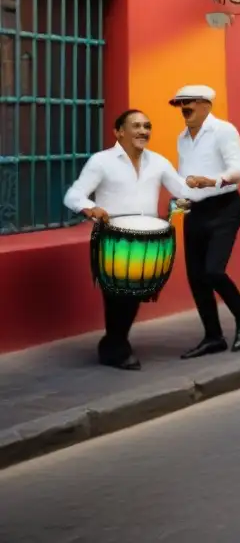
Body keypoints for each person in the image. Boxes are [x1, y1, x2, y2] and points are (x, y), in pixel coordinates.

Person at [63, 110, 194, 370]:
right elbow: (73, 195)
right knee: (117, 294)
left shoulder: (158, 162)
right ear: (119, 131)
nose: (143, 131)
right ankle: (116, 345)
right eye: (135, 126)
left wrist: (209, 185)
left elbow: (182, 189)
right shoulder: (101, 161)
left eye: (147, 126)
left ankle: (114, 343)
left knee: (131, 294)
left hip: (147, 238)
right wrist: (90, 208)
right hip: (113, 236)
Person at [170, 85, 240, 359]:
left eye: (188, 102)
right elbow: (185, 175)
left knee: (213, 271)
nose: (183, 107)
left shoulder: (224, 131)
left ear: (205, 104)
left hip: (225, 209)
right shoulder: (182, 138)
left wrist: (212, 181)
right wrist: (180, 200)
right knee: (196, 278)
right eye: (179, 103)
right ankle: (213, 337)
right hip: (195, 210)